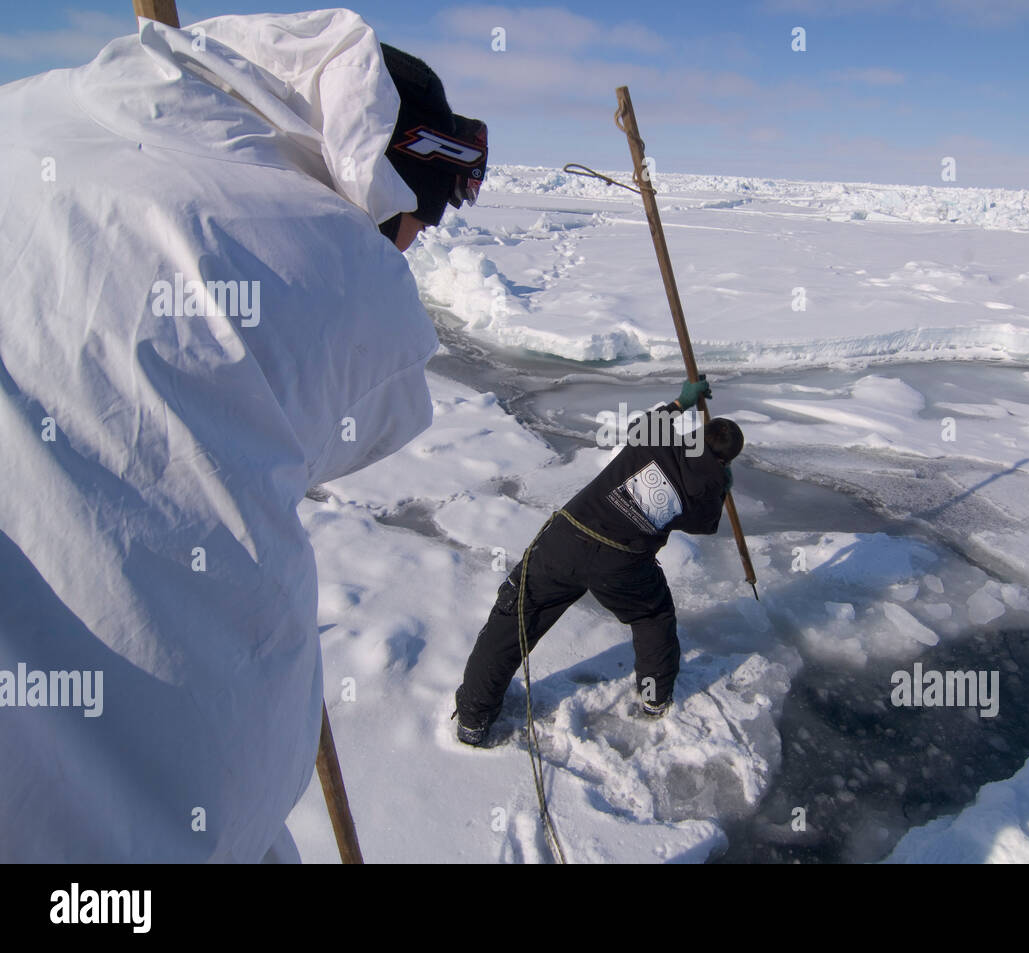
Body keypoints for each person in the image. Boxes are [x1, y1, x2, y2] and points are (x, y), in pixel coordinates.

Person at [0, 9, 483, 861]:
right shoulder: (326, 258)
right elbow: (380, 397)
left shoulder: (40, 110)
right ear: (388, 187)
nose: (411, 248)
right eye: (421, 222)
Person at [454, 378, 745, 746]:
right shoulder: (707, 489)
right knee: (651, 617)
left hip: (566, 540)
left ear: (697, 436)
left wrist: (680, 402)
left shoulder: (658, 440)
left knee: (514, 620)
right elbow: (705, 524)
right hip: (624, 565)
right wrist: (721, 483)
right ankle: (654, 699)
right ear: (726, 459)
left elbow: (640, 425)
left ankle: (473, 720)